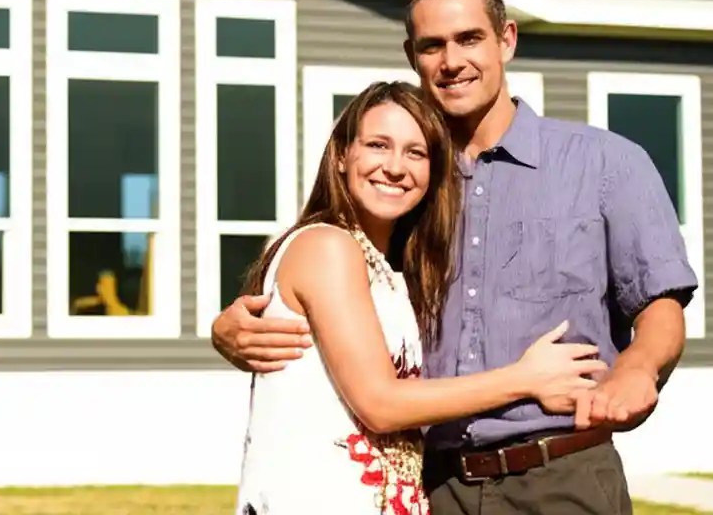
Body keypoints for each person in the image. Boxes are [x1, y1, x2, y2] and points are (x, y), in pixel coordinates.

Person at [215, 0, 699, 514]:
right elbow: (335, 288)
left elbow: (660, 302)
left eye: (469, 38)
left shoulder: (606, 163)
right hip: (435, 484)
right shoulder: (408, 186)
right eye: (432, 45)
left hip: (560, 474)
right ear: (412, 55)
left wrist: (638, 368)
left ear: (506, 40)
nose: (451, 61)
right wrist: (235, 326)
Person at [233, 80, 609, 515]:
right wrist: (526, 379)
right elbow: (380, 404)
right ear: (341, 155)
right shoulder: (327, 246)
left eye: (416, 153)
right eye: (378, 145)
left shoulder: (384, 264)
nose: (395, 167)